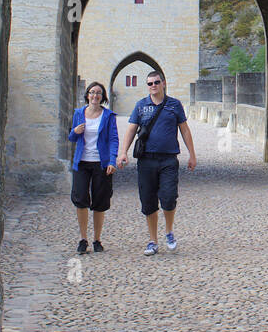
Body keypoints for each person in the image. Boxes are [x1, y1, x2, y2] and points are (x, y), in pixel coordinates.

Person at [116, 69, 195, 254]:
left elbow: (184, 130)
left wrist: (192, 154)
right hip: (146, 160)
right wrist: (123, 152)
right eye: (150, 83)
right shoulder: (141, 106)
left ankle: (169, 231)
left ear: (164, 83)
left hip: (168, 159)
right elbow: (131, 129)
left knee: (169, 197)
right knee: (148, 201)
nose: (153, 86)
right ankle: (153, 240)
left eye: (156, 82)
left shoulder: (174, 105)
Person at [67, 81, 118, 254]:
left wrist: (112, 161)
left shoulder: (109, 116)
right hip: (81, 162)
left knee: (100, 201)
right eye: (92, 92)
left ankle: (97, 239)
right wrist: (76, 131)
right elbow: (71, 137)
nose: (95, 95)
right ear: (87, 95)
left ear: (103, 97)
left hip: (101, 163)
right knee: (80, 199)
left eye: (98, 93)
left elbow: (113, 139)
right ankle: (83, 239)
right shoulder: (79, 113)